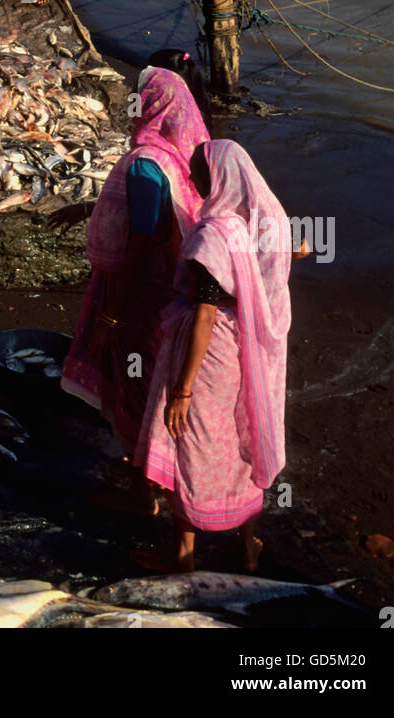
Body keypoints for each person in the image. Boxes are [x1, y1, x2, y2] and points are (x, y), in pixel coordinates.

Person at [51, 65, 210, 510]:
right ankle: (155, 475)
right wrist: (85, 208)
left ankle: (147, 492)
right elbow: (155, 215)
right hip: (173, 289)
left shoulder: (145, 163)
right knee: (157, 375)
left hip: (141, 289)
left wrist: (111, 314)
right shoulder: (181, 158)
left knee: (133, 378)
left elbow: (141, 239)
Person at [135, 138, 292, 572]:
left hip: (210, 352)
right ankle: (247, 547)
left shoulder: (213, 235)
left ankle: (183, 555)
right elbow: (280, 263)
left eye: (199, 172)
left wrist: (182, 389)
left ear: (218, 177)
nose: (192, 179)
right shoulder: (255, 225)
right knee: (237, 437)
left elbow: (204, 314)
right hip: (243, 351)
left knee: (191, 443)